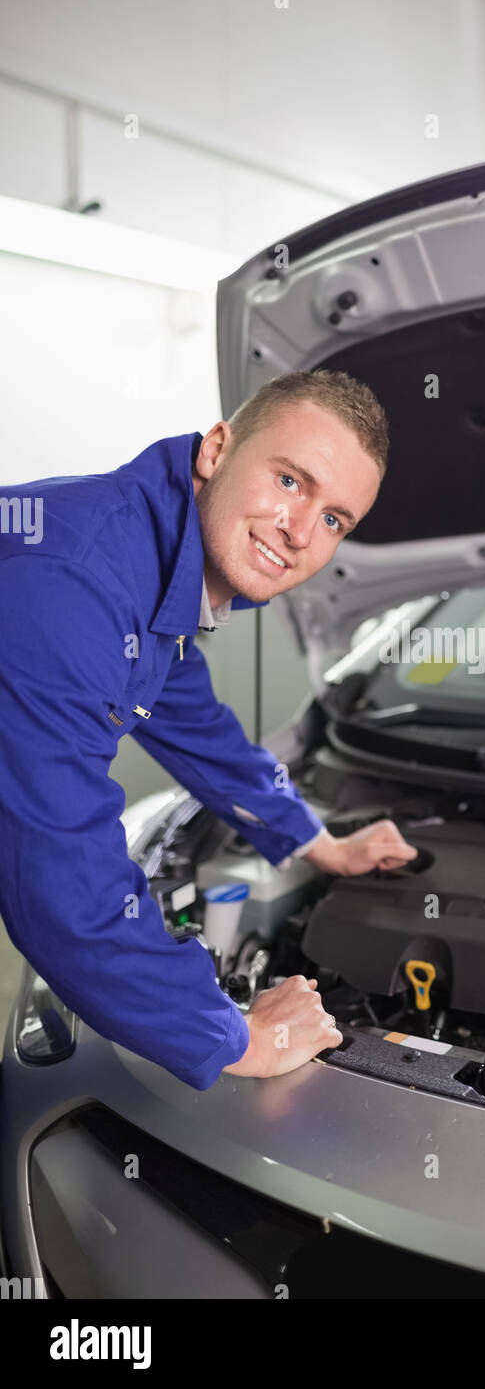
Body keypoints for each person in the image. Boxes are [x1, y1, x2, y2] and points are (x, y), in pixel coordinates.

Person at [0, 369, 417, 1088]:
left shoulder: (157, 564)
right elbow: (60, 881)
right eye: (290, 481)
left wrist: (316, 843)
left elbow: (196, 724)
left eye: (333, 519)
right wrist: (234, 1036)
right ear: (216, 448)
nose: (297, 532)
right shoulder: (77, 584)